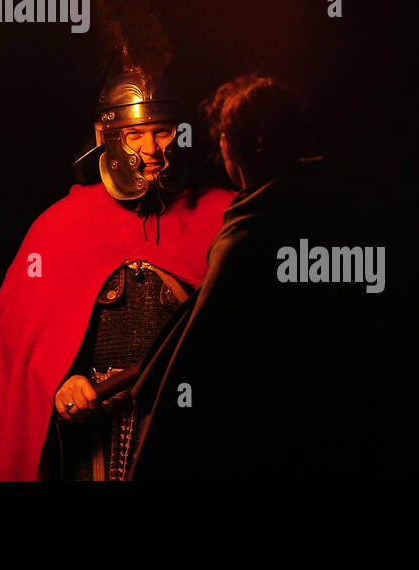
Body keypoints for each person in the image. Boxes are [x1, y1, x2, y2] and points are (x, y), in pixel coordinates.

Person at [0, 0, 232, 480]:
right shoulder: (62, 228)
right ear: (109, 137)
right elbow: (24, 357)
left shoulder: (221, 219)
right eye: (135, 133)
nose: (151, 148)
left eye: (163, 131)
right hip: (95, 442)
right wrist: (62, 382)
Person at [127, 73, 378, 480]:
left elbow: (196, 363)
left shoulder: (249, 237)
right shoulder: (340, 209)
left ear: (233, 143)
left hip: (265, 441)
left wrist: (147, 465)